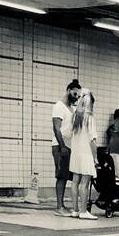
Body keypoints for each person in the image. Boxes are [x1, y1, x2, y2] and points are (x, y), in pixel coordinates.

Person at [50, 79, 80, 214]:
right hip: (60, 145)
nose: (76, 98)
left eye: (78, 96)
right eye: (74, 94)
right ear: (68, 91)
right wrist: (62, 146)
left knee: (67, 176)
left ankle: (62, 204)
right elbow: (56, 129)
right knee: (61, 176)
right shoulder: (59, 106)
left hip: (69, 146)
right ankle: (59, 207)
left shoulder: (72, 108)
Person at [69, 90, 99, 219]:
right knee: (85, 183)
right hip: (86, 154)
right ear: (90, 103)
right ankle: (83, 211)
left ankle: (75, 210)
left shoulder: (75, 117)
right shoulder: (89, 118)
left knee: (75, 182)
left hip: (76, 153)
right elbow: (92, 140)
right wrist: (95, 158)